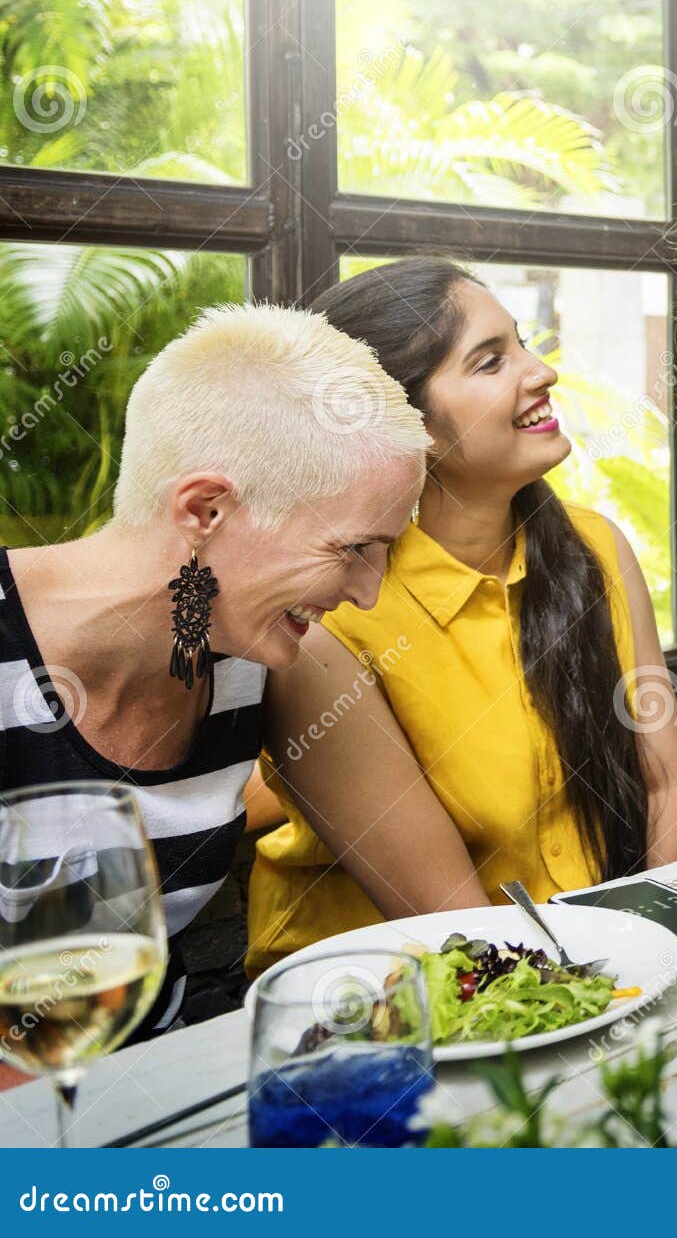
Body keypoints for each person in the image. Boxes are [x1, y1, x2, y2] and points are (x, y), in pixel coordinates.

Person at [247, 259, 677, 974]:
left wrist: (653, 942)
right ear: (401, 423)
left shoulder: (596, 550)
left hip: (594, 969)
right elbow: (459, 931)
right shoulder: (333, 619)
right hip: (390, 1009)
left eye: (522, 343)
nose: (541, 371)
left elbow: (665, 784)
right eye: (491, 362)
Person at [0, 305, 427, 1038]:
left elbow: (445, 920)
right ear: (204, 510)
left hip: (166, 1098)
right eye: (354, 548)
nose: (368, 593)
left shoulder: (271, 656)